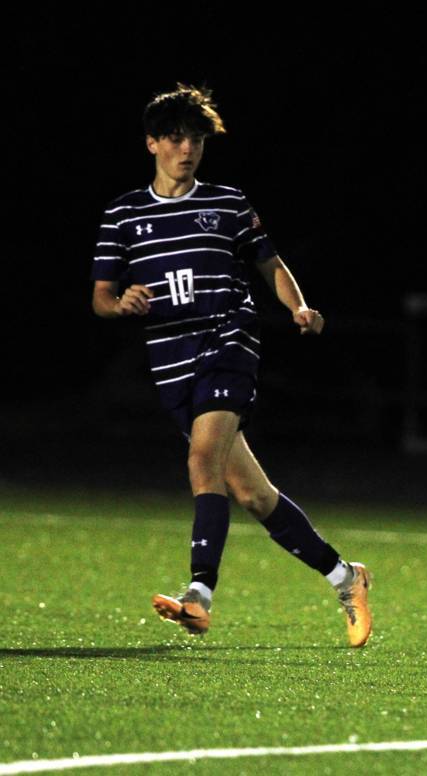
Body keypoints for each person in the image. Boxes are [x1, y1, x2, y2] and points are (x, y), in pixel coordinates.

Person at [91, 84, 372, 647]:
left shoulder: (227, 203)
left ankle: (199, 595)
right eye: (174, 139)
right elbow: (100, 296)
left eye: (194, 139)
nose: (186, 149)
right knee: (252, 495)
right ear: (152, 144)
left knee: (202, 460)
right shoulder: (123, 215)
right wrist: (120, 303)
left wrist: (297, 305)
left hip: (228, 340)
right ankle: (347, 576)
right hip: (168, 360)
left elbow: (270, 262)